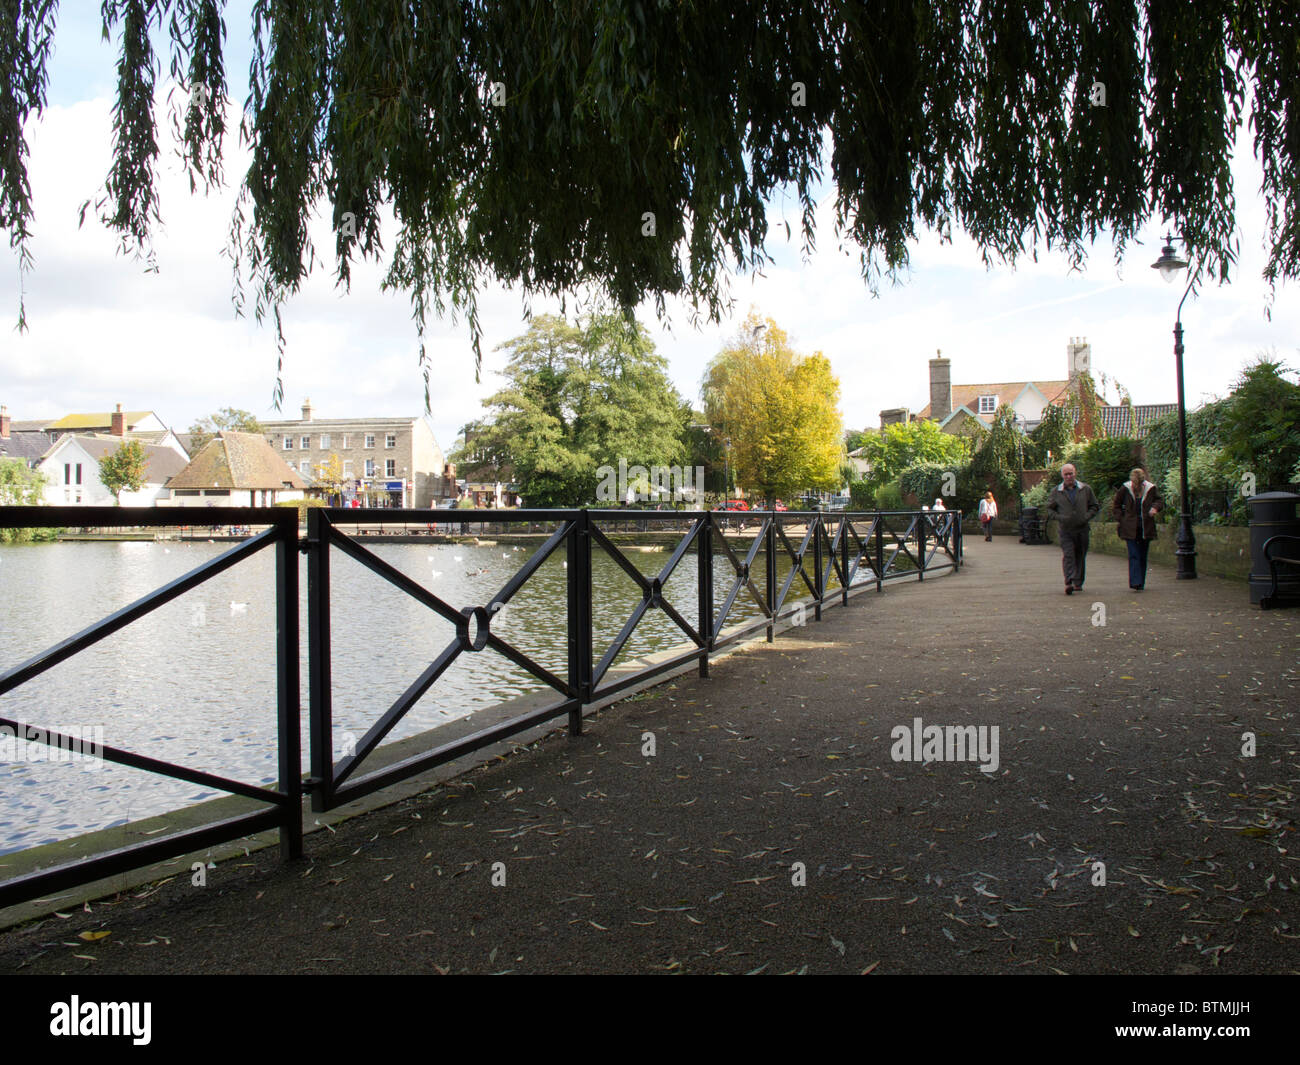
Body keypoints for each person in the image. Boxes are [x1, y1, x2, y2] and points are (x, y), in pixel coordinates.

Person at [1044, 463, 1101, 595]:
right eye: (1066, 474)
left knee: (1080, 555)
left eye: (1071, 473)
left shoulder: (1085, 489)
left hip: (1082, 528)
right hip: (1066, 529)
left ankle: (1078, 582)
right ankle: (1069, 581)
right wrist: (1060, 517)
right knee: (1069, 555)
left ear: (1075, 473)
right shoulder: (1056, 491)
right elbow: (1049, 509)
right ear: (1062, 476)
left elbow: (1095, 506)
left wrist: (1086, 517)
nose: (1069, 476)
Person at [1112, 466, 1163, 591]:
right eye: (1135, 483)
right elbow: (1116, 505)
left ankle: (1141, 582)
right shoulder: (1125, 488)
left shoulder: (1150, 488)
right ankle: (1135, 582)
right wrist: (1122, 519)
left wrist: (1155, 508)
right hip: (1129, 528)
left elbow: (1159, 501)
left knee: (1142, 554)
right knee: (1134, 554)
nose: (1136, 486)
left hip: (1146, 527)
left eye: (1138, 483)